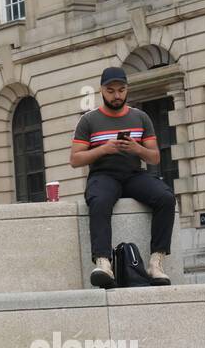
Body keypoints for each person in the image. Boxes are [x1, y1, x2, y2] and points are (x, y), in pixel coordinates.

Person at [70, 67, 174, 288]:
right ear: (101, 91)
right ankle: (103, 262)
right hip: (103, 175)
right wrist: (103, 149)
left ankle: (156, 262)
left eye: (121, 90)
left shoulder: (140, 117)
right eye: (111, 91)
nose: (116, 95)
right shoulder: (88, 120)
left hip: (134, 175)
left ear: (127, 89)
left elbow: (154, 157)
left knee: (165, 197)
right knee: (99, 200)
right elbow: (75, 160)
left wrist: (137, 149)